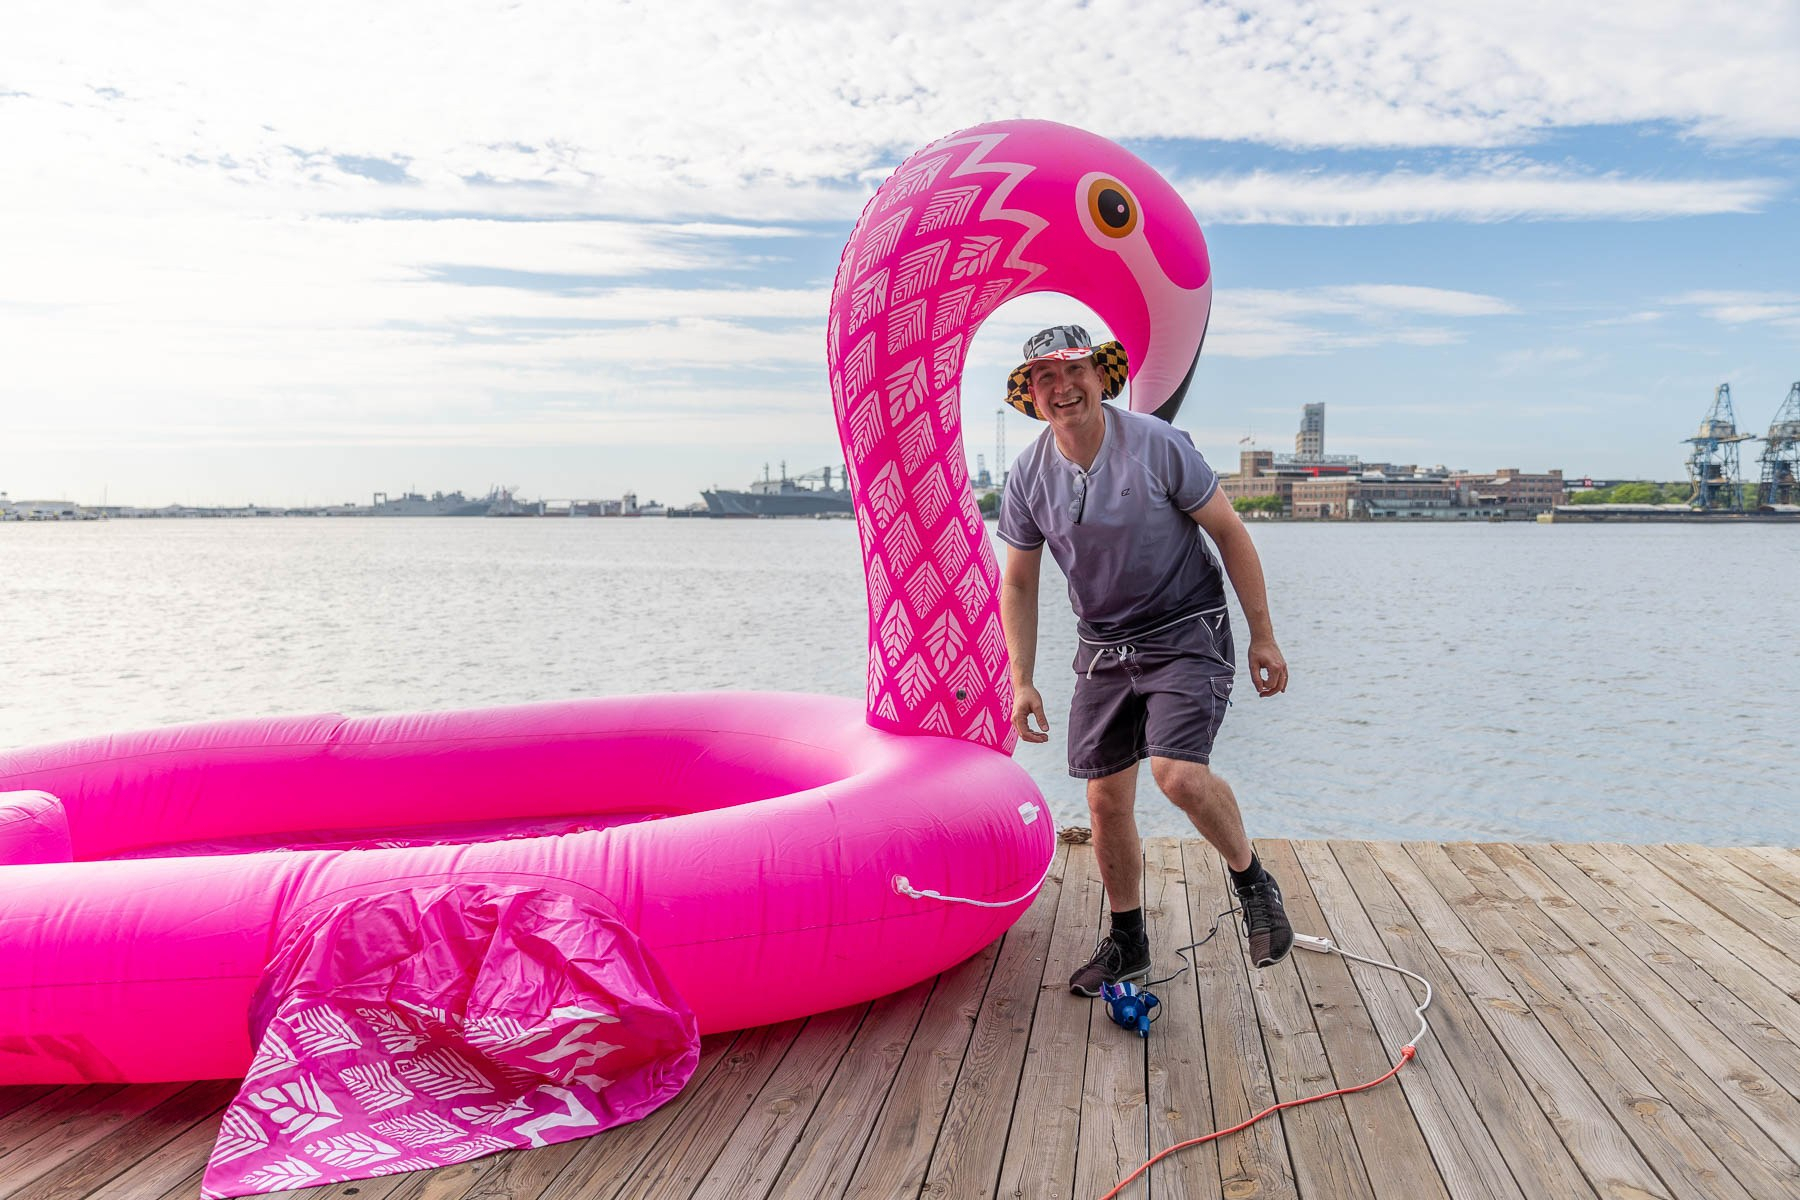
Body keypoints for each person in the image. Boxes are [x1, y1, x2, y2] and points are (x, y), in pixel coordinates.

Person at [994, 324, 1293, 996]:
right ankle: (1128, 941)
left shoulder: (1157, 445)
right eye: (1045, 377)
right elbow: (1017, 581)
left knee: (1180, 777)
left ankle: (1253, 881)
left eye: (1075, 371)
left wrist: (1263, 636)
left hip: (1185, 625)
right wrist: (1021, 679)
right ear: (1032, 395)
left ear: (1103, 377)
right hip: (1103, 643)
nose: (1062, 387)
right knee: (1104, 802)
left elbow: (1228, 531)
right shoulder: (1027, 475)